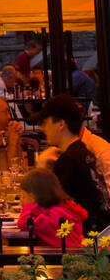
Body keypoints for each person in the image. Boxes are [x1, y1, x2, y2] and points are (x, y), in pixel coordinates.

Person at [37, 96, 110, 233]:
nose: (43, 128)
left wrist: (41, 168)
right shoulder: (84, 152)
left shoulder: (69, 159)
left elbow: (46, 208)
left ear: (61, 124)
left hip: (84, 240)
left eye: (46, 122)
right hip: (101, 232)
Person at [17, 168, 88, 249]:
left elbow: (24, 223)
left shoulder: (53, 217)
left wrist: (29, 206)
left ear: (33, 197)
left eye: (24, 196)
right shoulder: (63, 208)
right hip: (76, 254)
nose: (21, 200)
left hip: (63, 257)